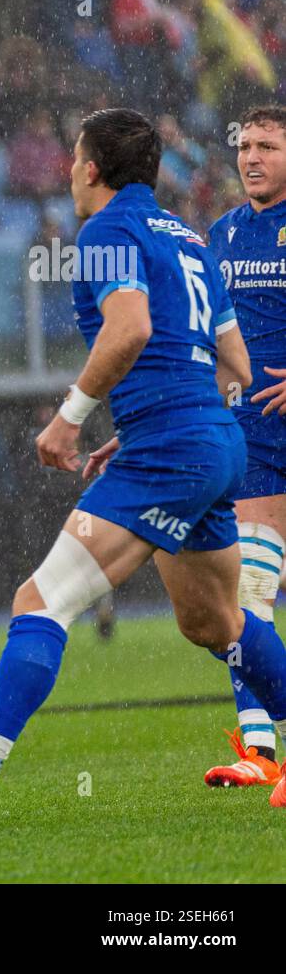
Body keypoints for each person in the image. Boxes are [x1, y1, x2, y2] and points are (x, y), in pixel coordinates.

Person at [0, 108, 286, 826]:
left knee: (41, 600)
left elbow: (131, 329)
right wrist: (164, 415)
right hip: (214, 439)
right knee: (217, 621)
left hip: (171, 447)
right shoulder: (188, 237)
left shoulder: (102, 232)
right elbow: (237, 363)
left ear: (91, 167)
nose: (66, 169)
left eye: (72, 158)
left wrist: (70, 414)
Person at [204, 105, 286, 786]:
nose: (251, 157)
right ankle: (258, 749)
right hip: (254, 437)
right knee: (249, 592)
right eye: (246, 145)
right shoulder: (223, 235)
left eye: (267, 146)